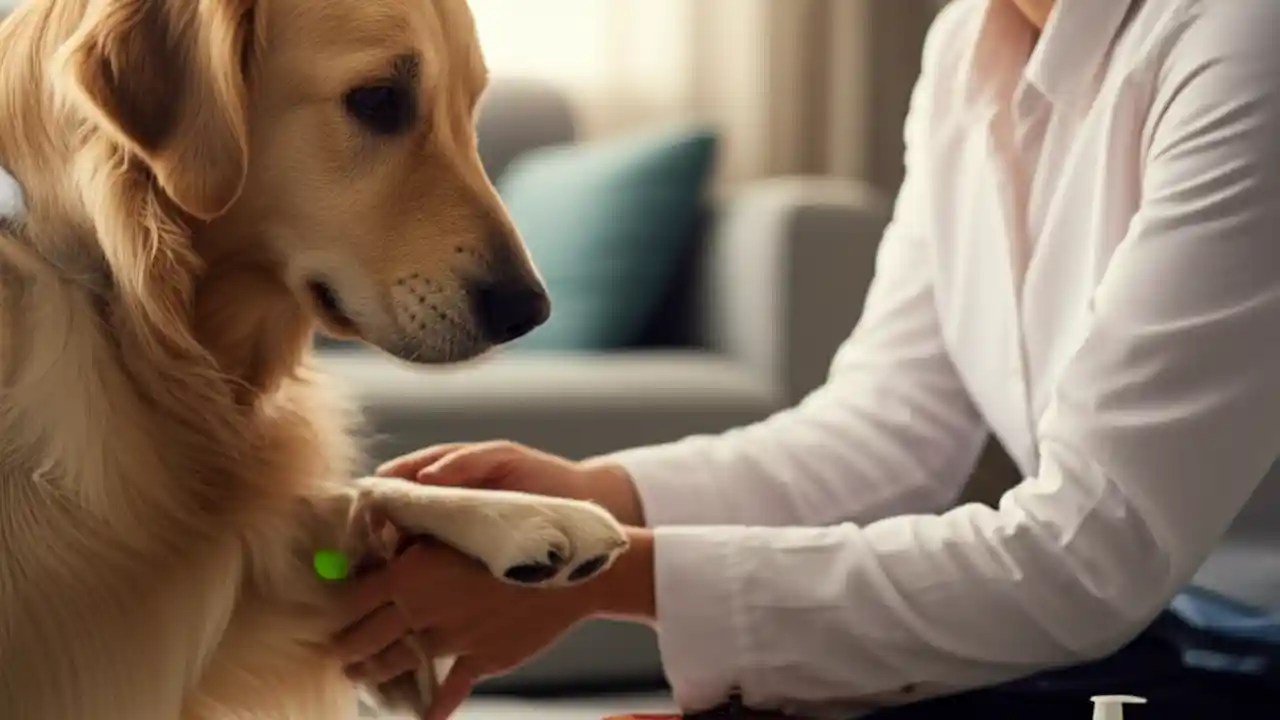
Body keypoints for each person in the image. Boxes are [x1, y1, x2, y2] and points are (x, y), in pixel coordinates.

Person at [334, 0, 1280, 718]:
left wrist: (607, 571)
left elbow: (1091, 554)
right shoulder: (967, 46)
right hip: (1156, 626)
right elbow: (885, 432)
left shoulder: (1243, 49)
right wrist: (589, 500)